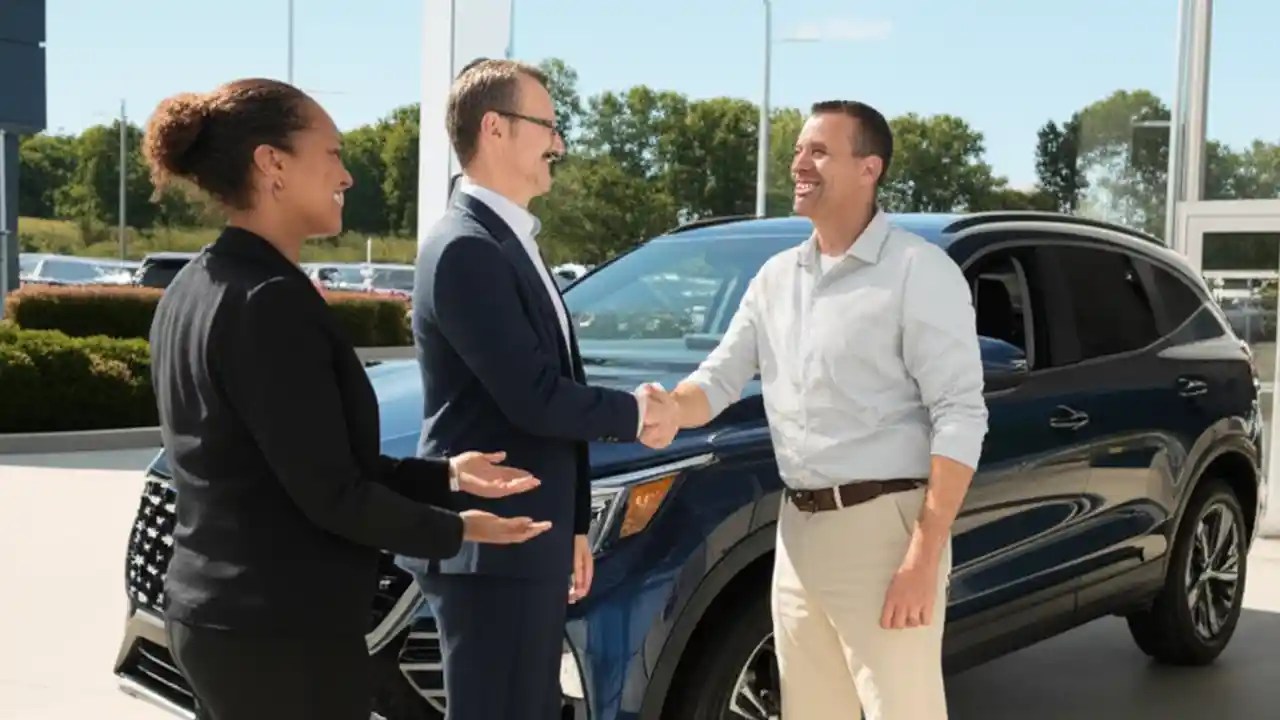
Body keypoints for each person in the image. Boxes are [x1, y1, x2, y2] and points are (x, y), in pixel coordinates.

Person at [142, 78, 555, 720]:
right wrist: (459, 530)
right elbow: (332, 495)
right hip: (281, 638)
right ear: (273, 164)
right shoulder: (269, 302)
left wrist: (446, 476)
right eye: (332, 153)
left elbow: (308, 464)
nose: (347, 175)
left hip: (223, 623)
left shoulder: (196, 284)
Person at [641, 100, 989, 719]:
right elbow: (717, 381)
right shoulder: (776, 279)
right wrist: (668, 409)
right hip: (797, 533)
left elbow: (961, 414)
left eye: (819, 151)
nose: (799, 163)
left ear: (869, 169)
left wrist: (923, 555)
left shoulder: (918, 271)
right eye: (799, 150)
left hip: (885, 533)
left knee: (901, 710)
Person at [404, 59, 678, 720]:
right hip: (492, 547)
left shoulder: (504, 239)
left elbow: (549, 389)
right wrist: (637, 413)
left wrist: (573, 523)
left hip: (527, 540)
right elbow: (533, 395)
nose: (558, 143)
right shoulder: (467, 248)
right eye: (547, 126)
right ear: (494, 129)